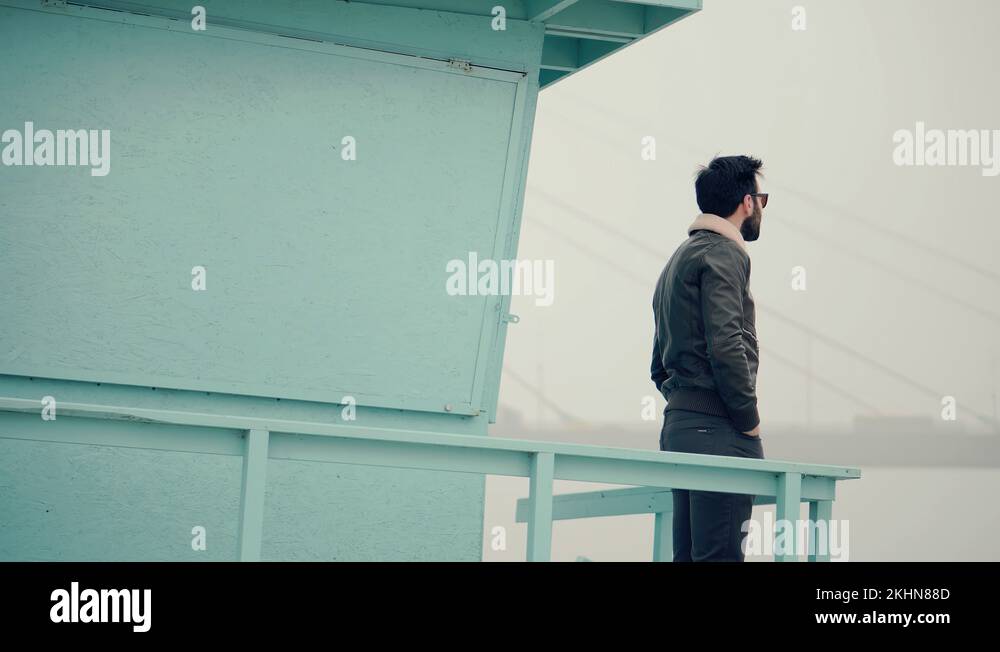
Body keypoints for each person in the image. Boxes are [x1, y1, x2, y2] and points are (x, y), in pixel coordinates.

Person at [651, 154, 768, 562]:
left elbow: (658, 366)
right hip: (720, 431)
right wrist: (748, 422)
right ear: (747, 202)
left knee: (688, 557)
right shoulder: (725, 254)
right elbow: (726, 344)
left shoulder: (676, 260)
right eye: (762, 199)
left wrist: (686, 407)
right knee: (719, 557)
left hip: (679, 428)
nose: (760, 209)